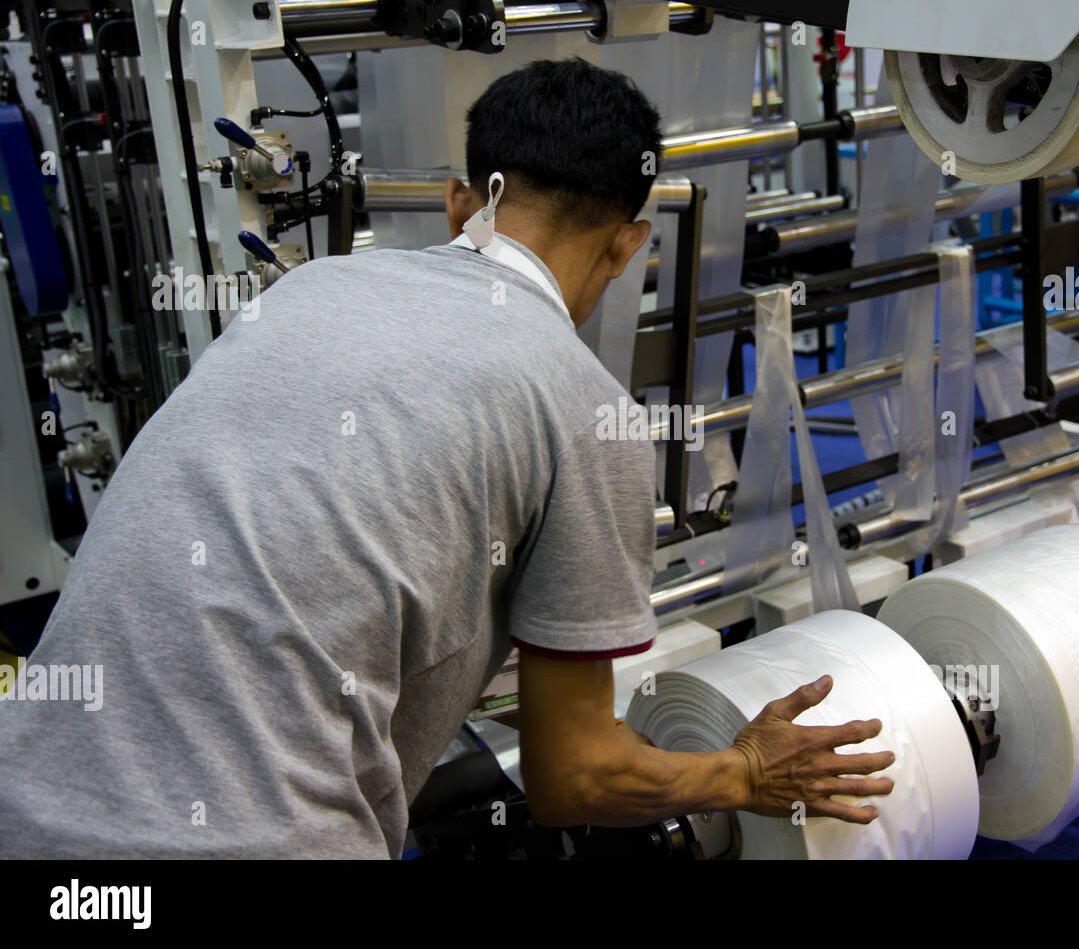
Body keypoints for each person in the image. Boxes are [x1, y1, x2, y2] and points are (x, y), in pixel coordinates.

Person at [0, 57, 893, 858]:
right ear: (630, 243)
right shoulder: (586, 412)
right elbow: (573, 780)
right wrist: (742, 774)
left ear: (459, 204)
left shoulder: (308, 290)